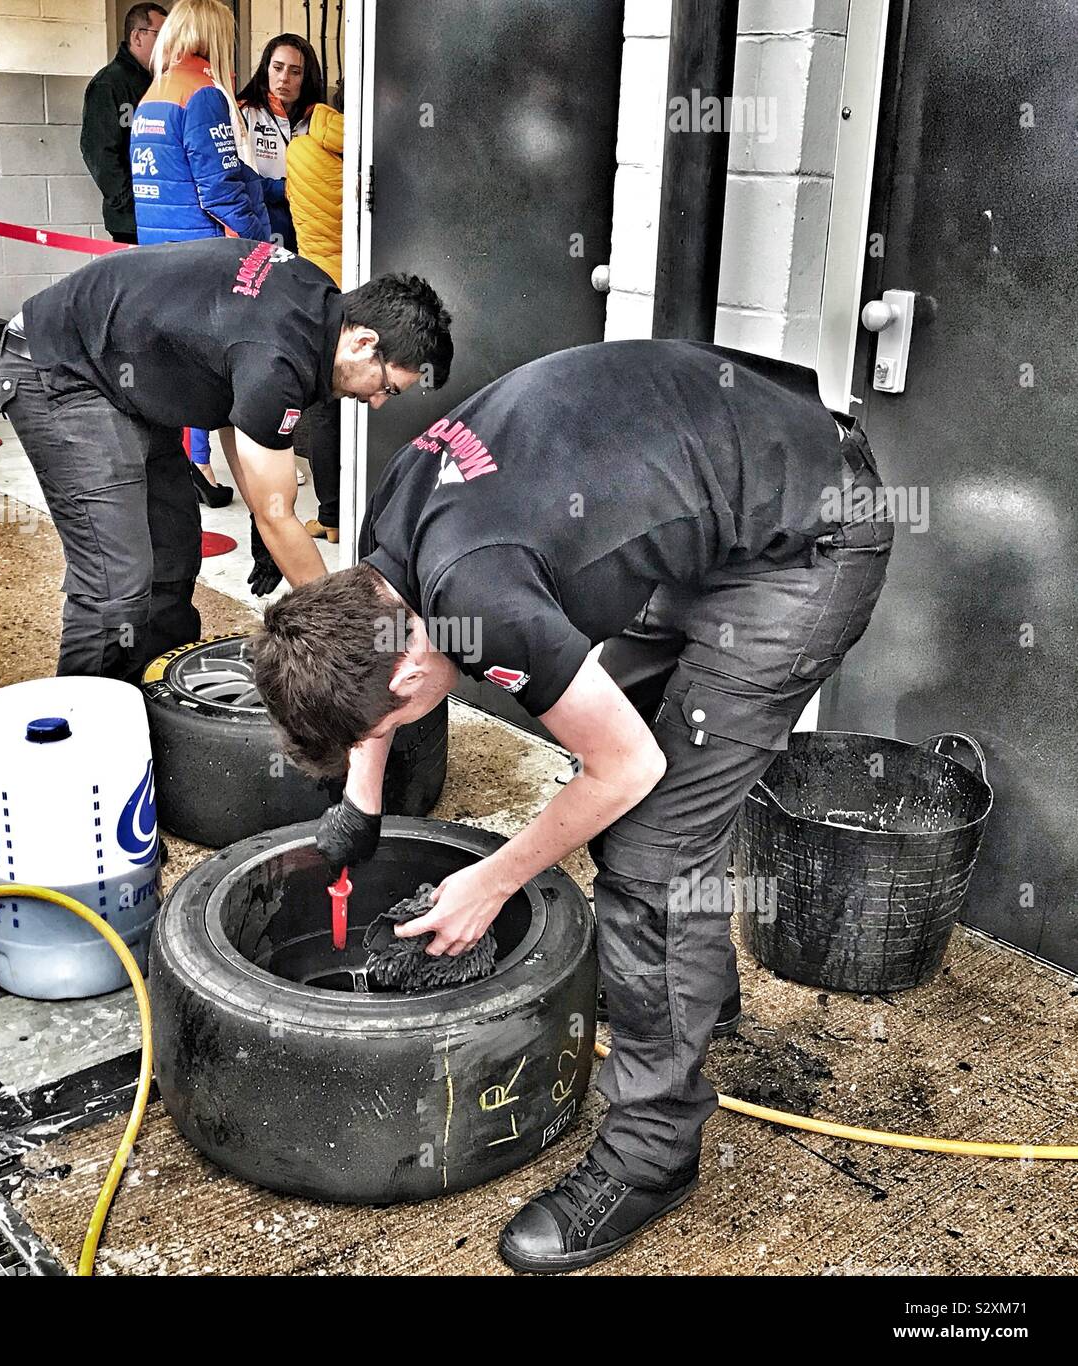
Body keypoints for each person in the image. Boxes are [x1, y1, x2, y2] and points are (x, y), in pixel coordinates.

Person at [250, 340, 893, 1273]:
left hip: (810, 539)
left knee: (648, 852)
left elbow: (623, 768)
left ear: (407, 666)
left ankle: (653, 1154)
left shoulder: (485, 591)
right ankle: (694, 1003)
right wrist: (361, 803)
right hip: (721, 489)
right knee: (653, 789)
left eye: (376, 724)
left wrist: (495, 881)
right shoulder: (381, 558)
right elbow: (376, 684)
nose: (374, 737)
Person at [0, 237, 452, 681]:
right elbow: (278, 510)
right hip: (59, 368)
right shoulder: (279, 356)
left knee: (172, 557)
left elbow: (238, 409)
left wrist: (264, 516)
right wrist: (341, 627)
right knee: (117, 582)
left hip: (125, 377)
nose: (378, 403)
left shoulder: (314, 303)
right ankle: (84, 733)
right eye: (387, 387)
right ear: (363, 342)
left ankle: (156, 708)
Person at [130, 0, 268, 506]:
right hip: (205, 257)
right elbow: (220, 189)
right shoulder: (204, 93)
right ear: (215, 36)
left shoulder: (153, 93)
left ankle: (197, 467)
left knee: (186, 369)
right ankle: (233, 478)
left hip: (159, 256)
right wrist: (260, 243)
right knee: (225, 374)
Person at [285, 80, 344, 542]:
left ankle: (330, 516)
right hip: (368, 289)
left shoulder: (300, 151)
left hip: (319, 290)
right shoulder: (371, 148)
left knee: (326, 407)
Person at [80, 2, 167, 245]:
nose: (169, 45)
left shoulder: (160, 83)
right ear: (138, 36)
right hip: (131, 222)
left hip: (162, 215)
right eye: (162, 36)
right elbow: (99, 153)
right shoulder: (108, 84)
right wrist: (130, 204)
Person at [237, 32, 323, 254]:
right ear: (266, 69)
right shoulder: (243, 114)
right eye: (277, 68)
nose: (284, 78)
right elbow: (235, 179)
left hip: (311, 233)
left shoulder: (319, 121)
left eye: (295, 72)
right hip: (261, 232)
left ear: (307, 78)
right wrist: (284, 189)